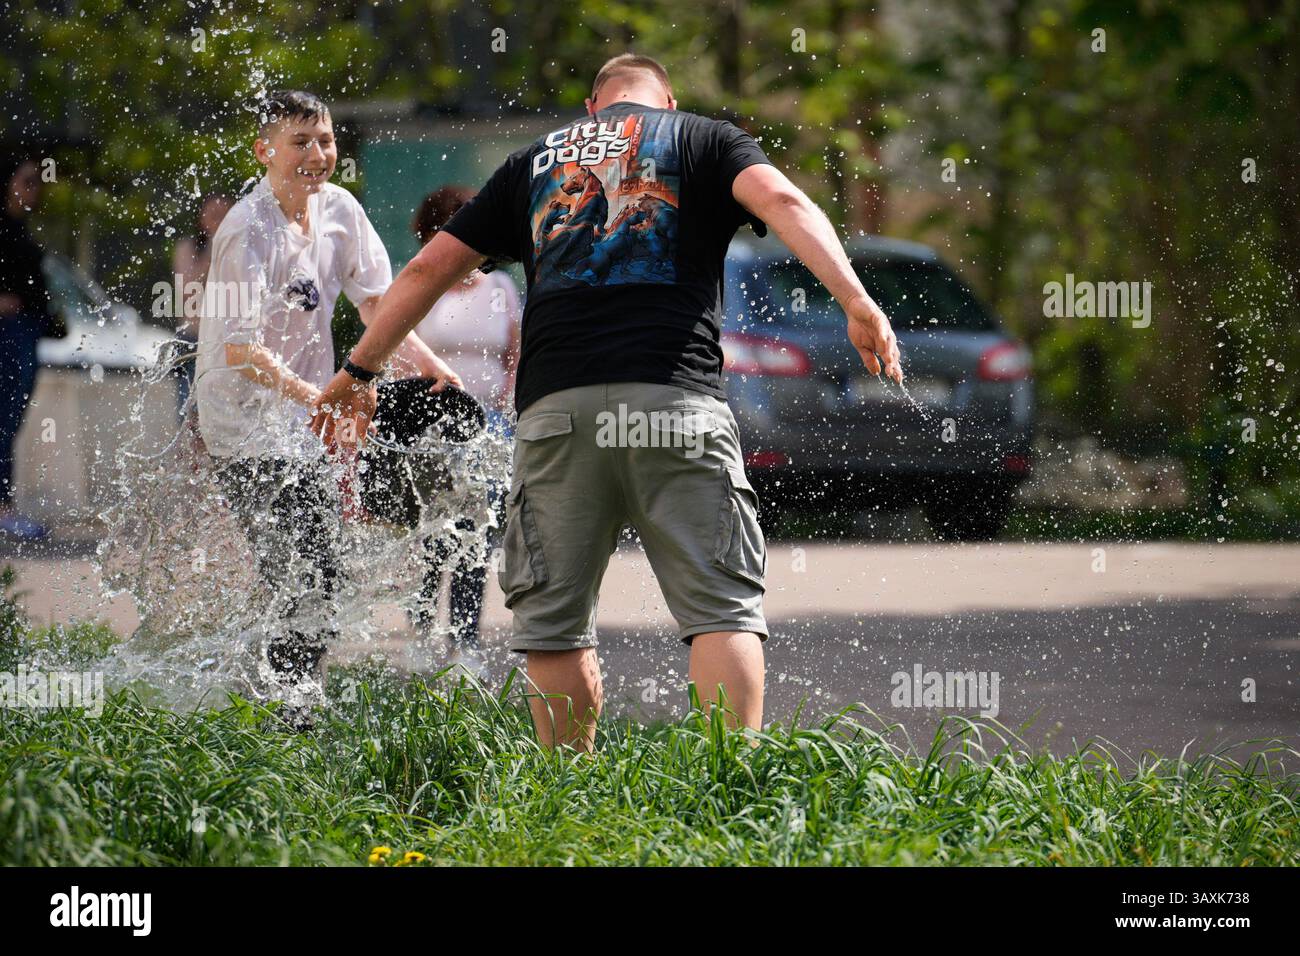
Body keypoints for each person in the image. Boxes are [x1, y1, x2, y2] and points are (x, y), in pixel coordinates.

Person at [312, 55, 903, 751]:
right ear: (668, 99)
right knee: (722, 611)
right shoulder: (704, 138)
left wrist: (358, 370)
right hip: (675, 400)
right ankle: (733, 784)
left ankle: (569, 804)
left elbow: (427, 268)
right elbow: (785, 202)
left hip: (557, 411)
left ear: (594, 107)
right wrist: (856, 301)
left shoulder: (534, 161)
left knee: (556, 624)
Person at [194, 90, 459, 729]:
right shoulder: (244, 230)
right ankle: (288, 714)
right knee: (304, 564)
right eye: (300, 143)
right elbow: (240, 348)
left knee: (317, 567)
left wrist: (426, 363)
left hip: (305, 421)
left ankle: (272, 696)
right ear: (265, 151)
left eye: (326, 141)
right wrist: (325, 397)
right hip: (244, 424)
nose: (317, 155)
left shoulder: (340, 210)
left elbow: (377, 304)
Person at [407, 186, 522, 672]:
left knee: (478, 533)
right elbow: (400, 349)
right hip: (432, 426)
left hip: (489, 426)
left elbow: (515, 352)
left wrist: (508, 399)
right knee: (434, 534)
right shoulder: (421, 284)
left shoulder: (501, 290)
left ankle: (465, 643)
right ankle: (418, 631)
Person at [0, 151, 53, 541]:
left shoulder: (22, 229)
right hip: (8, 333)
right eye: (26, 182)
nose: (33, 191)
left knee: (10, 422)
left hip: (24, 333)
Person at [171, 192, 231, 424]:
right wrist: (213, 250)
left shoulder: (241, 248)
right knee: (190, 416)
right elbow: (188, 288)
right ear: (201, 218)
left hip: (227, 343)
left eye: (225, 215)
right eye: (214, 214)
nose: (219, 220)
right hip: (194, 340)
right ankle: (191, 459)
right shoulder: (187, 248)